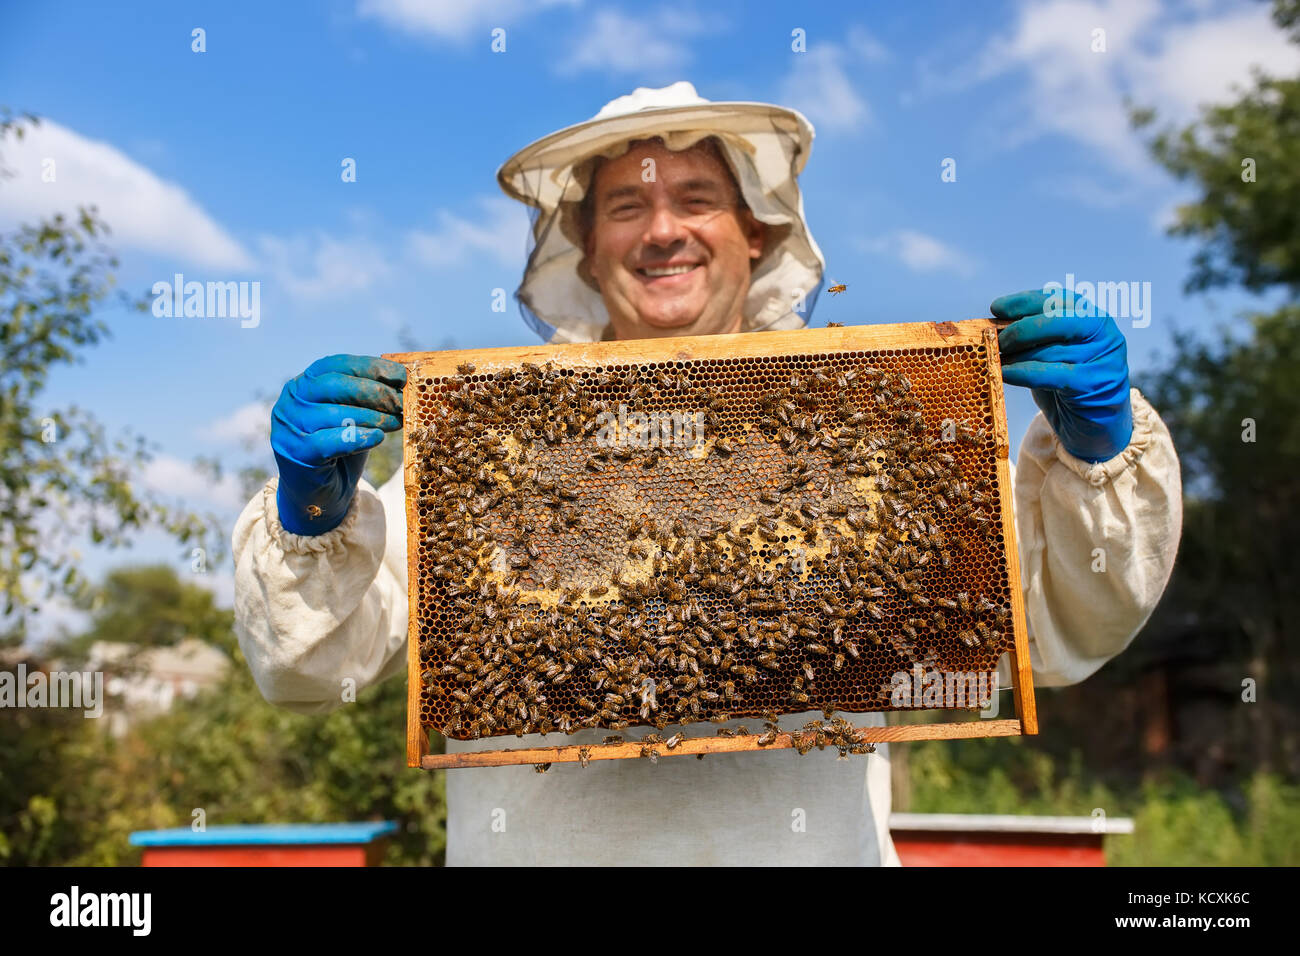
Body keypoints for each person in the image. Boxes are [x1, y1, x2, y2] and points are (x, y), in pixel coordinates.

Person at [233, 83, 1183, 865]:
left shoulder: (857, 439)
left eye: (696, 199)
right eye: (625, 206)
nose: (662, 231)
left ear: (756, 234)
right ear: (587, 246)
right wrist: (313, 520)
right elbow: (311, 676)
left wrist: (1096, 462)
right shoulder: (500, 448)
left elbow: (1056, 633)